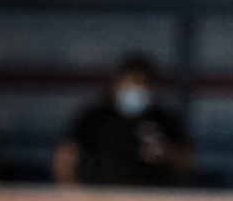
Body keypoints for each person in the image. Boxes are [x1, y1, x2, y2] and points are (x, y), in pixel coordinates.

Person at [54, 54, 191, 187]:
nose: (138, 90)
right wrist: (74, 194)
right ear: (117, 84)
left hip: (151, 197)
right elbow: (66, 157)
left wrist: (166, 153)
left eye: (144, 84)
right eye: (132, 83)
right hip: (106, 196)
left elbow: (186, 164)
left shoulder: (162, 119)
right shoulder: (97, 116)